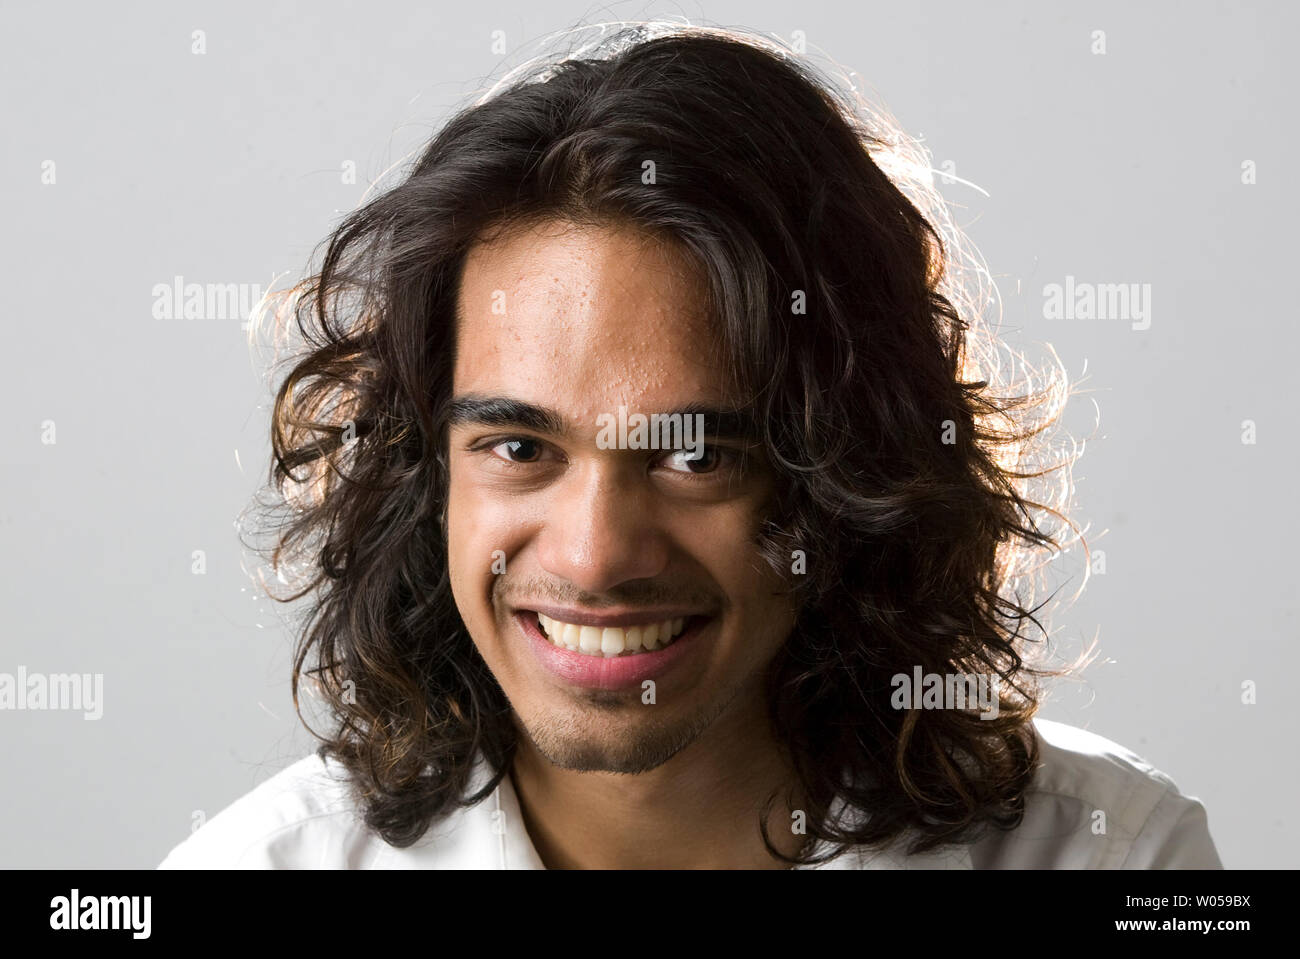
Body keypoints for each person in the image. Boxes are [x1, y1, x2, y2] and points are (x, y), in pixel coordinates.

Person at [159, 23, 1220, 869]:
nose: (591, 556)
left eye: (696, 458)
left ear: (846, 474)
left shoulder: (1112, 858)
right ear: (426, 475)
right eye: (520, 447)